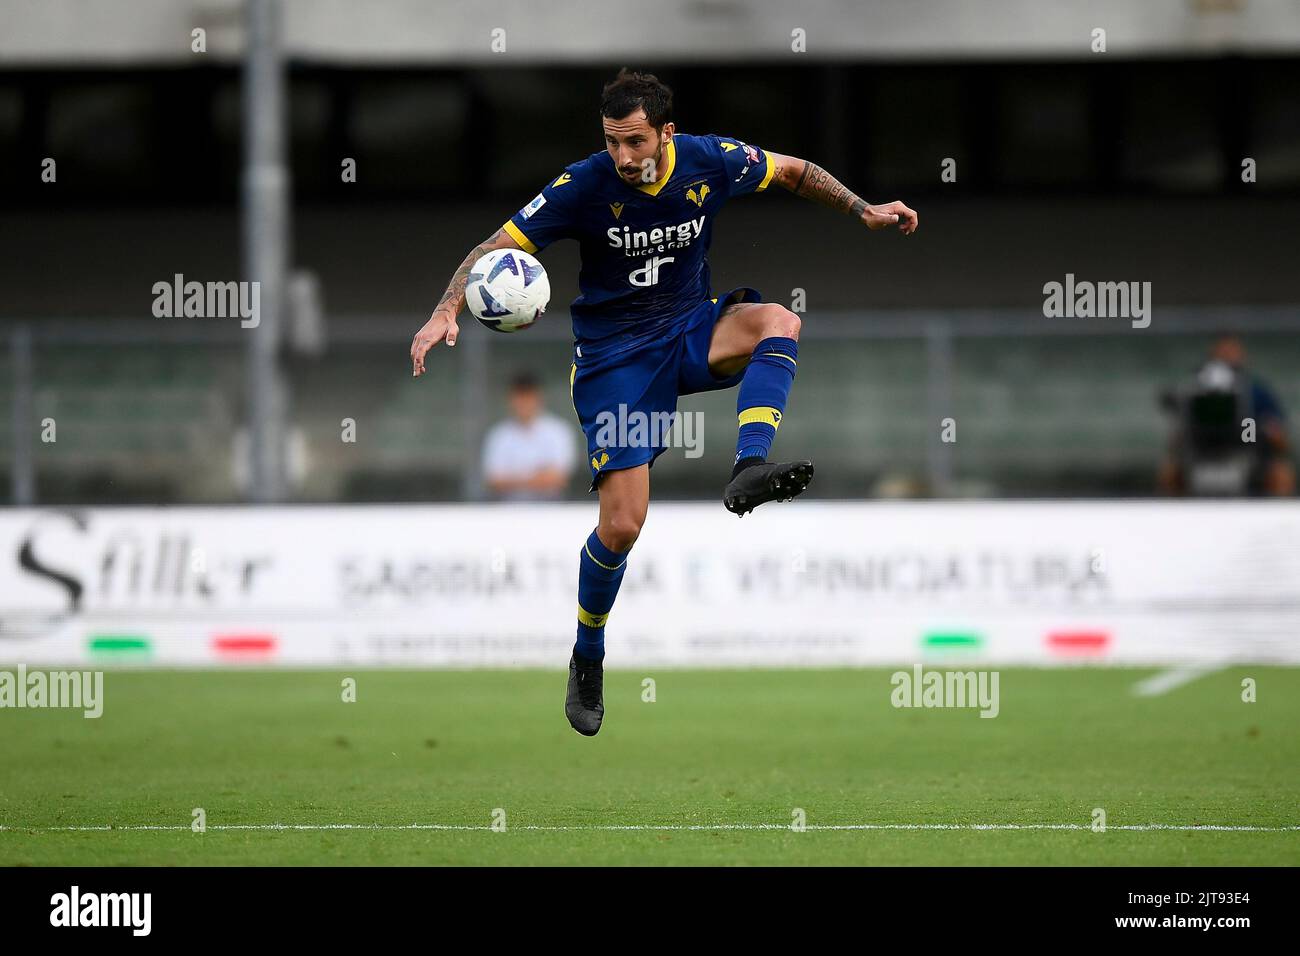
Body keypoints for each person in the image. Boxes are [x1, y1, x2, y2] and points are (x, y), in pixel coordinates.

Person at [411, 69, 918, 736]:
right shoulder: (582, 184)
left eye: (635, 141)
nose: (624, 156)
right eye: (613, 142)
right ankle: (587, 652)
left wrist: (863, 210)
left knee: (780, 323)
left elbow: (794, 171)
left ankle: (747, 469)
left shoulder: (709, 161)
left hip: (688, 330)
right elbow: (493, 248)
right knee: (623, 525)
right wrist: (446, 307)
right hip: (616, 363)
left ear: (665, 133)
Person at [1159, 334, 1294, 496]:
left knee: (1280, 473)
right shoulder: (1194, 389)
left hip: (1245, 451)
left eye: (1232, 354)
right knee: (1170, 471)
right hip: (1201, 451)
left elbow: (1279, 436)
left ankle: (1279, 518)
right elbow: (1178, 435)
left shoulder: (1255, 392)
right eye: (1222, 354)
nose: (1227, 359)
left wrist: (1256, 433)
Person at [481, 371, 576, 500]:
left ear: (539, 397)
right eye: (520, 396)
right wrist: (538, 476)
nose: (524, 402)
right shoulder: (499, 435)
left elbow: (558, 478)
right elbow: (494, 481)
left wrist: (512, 478)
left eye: (528, 396)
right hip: (507, 514)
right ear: (511, 399)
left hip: (551, 514)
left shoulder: (558, 431)